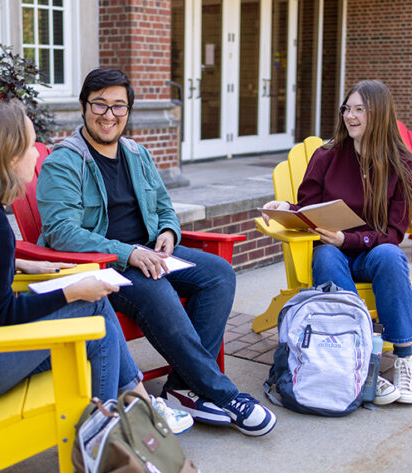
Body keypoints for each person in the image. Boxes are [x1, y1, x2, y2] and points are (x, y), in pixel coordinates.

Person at [0, 101, 193, 434]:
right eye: (30, 147)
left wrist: (24, 264)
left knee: (97, 323)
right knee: (92, 305)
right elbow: (3, 314)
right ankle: (117, 426)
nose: (38, 155)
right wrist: (71, 291)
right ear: (9, 157)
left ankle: (130, 414)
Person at [36, 68, 276, 436]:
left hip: (153, 254)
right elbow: (60, 232)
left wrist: (168, 231)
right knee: (157, 288)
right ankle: (222, 394)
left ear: (128, 112)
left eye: (119, 106)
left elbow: (165, 206)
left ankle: (182, 386)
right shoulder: (63, 162)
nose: (109, 115)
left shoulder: (137, 154)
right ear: (84, 107)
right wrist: (128, 253)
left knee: (218, 274)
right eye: (99, 104)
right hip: (106, 266)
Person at [262, 79, 412, 405]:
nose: (350, 116)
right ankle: (359, 357)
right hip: (333, 255)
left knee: (391, 256)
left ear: (377, 114)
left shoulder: (405, 166)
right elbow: (308, 209)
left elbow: (393, 233)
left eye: (359, 110)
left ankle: (405, 359)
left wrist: (347, 238)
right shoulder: (327, 157)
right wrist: (287, 209)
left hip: (372, 255)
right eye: (347, 109)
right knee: (324, 257)